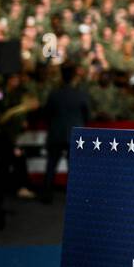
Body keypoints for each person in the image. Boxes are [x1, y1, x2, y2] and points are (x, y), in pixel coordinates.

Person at [41, 64, 91, 203]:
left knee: (51, 165)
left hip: (56, 134)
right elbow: (87, 115)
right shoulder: (81, 95)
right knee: (73, 168)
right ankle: (74, 198)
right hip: (74, 136)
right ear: (75, 77)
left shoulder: (54, 94)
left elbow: (47, 114)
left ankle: (46, 195)